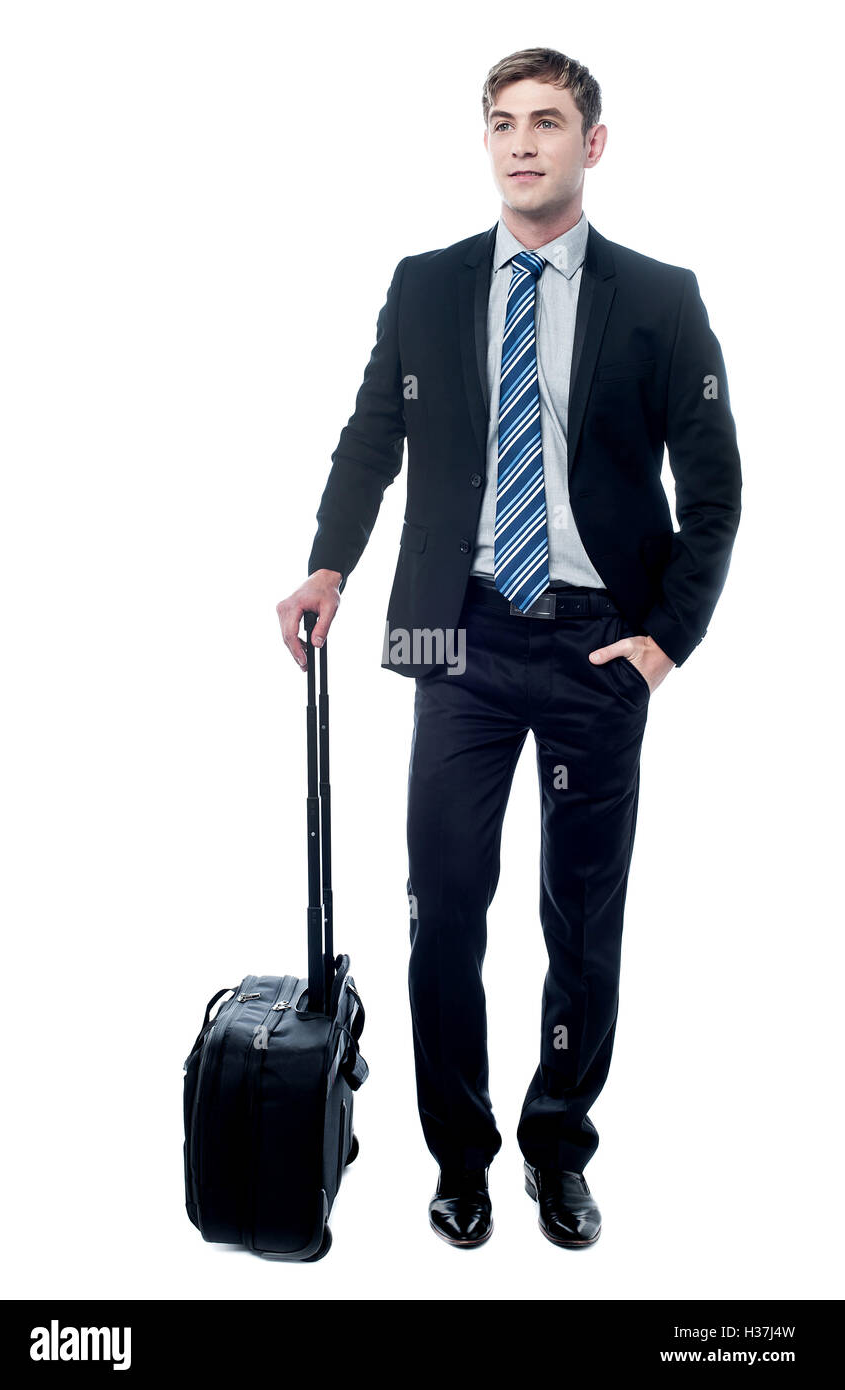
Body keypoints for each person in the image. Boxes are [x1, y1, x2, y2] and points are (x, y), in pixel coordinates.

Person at [276, 46, 741, 1249]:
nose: (520, 142)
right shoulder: (426, 284)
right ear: (485, 145)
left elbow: (717, 488)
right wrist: (329, 564)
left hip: (599, 645)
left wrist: (663, 641)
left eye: (546, 121)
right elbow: (369, 438)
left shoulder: (660, 296)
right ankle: (461, 1154)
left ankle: (557, 1147)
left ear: (593, 143)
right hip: (455, 626)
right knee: (446, 908)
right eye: (500, 123)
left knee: (582, 918)